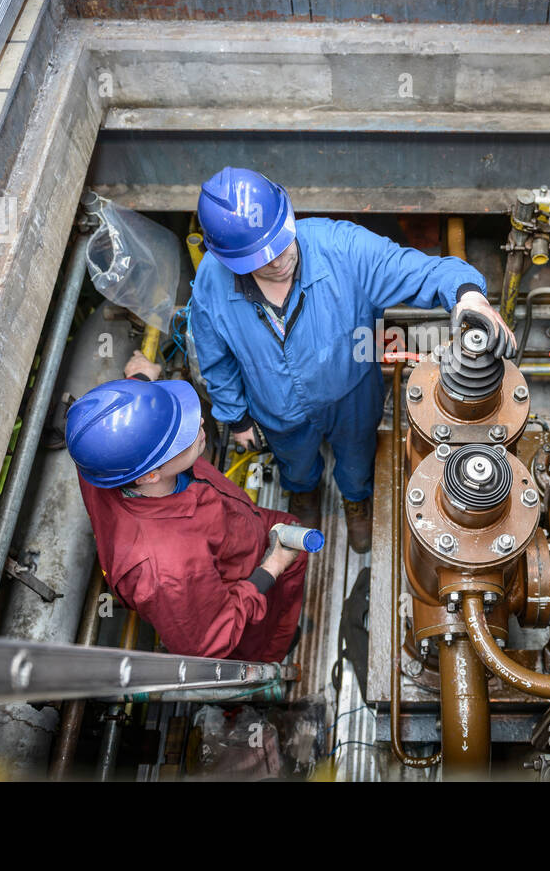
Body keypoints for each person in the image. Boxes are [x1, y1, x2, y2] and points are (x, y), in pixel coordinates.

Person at [189, 166, 515, 553]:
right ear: (228, 259)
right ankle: (303, 494)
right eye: (261, 258)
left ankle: (355, 500)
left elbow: (422, 270)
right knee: (295, 464)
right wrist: (237, 417)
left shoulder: (341, 247)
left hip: (353, 395)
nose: (278, 260)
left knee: (357, 458)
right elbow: (215, 358)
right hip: (275, 408)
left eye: (281, 241)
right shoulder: (211, 281)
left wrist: (467, 295)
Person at [66, 364, 307, 662]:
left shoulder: (104, 458)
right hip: (240, 586)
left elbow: (112, 426)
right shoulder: (165, 573)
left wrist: (140, 381)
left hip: (236, 521)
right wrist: (272, 568)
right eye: (181, 437)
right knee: (264, 636)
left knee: (294, 532)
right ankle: (275, 652)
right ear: (149, 476)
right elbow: (209, 641)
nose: (200, 422)